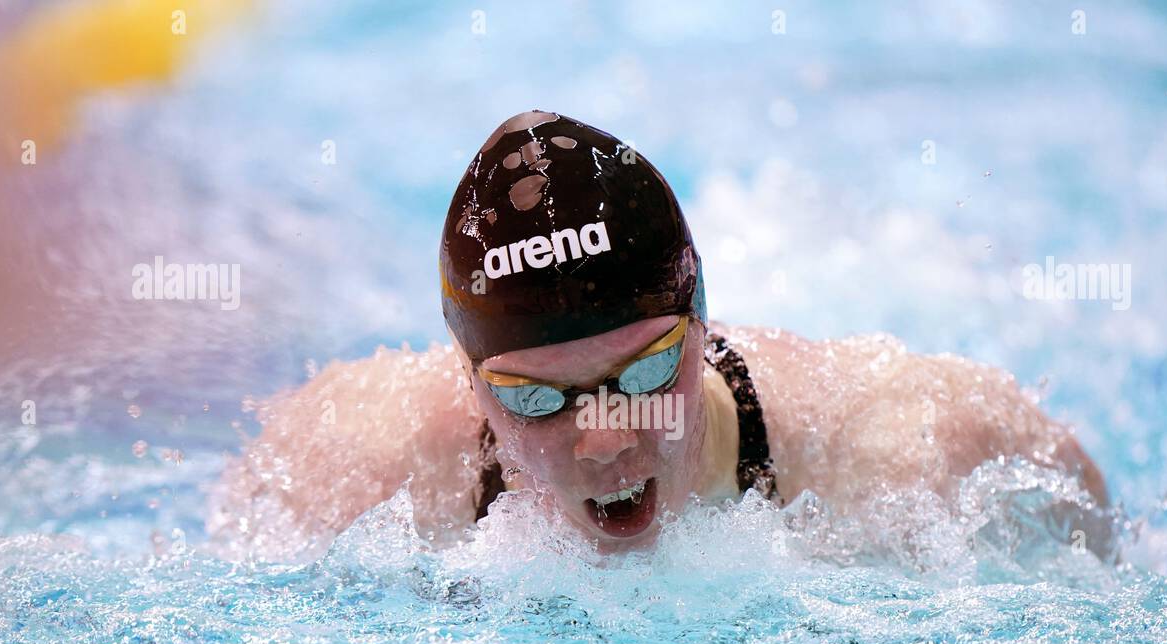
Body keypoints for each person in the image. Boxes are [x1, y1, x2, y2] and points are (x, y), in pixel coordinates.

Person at [208, 111, 1112, 560]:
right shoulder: (354, 472)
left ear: (702, 326)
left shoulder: (902, 459)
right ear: (470, 382)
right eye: (534, 398)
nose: (603, 439)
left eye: (641, 373)